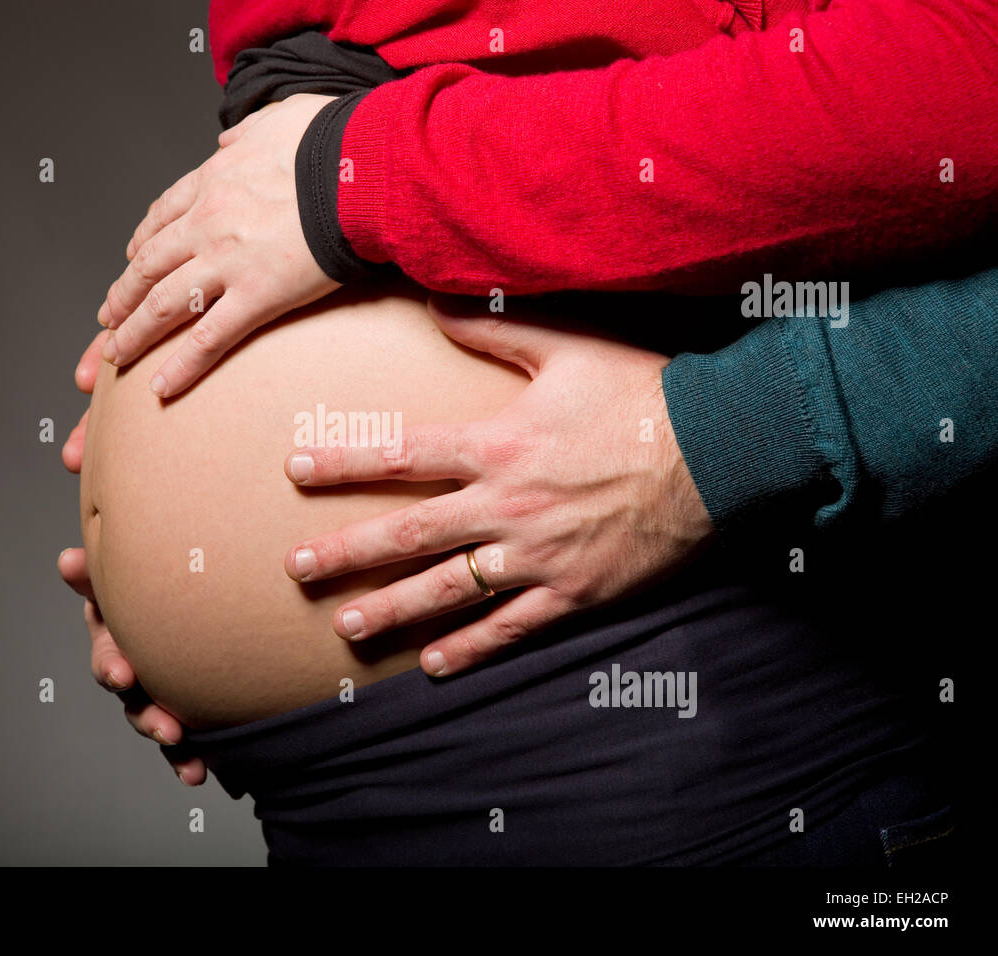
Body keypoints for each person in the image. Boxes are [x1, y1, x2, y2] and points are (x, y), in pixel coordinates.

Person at [58, 1, 993, 863]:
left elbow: (966, 84)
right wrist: (174, 544)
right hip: (323, 795)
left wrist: (718, 440)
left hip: (678, 762)